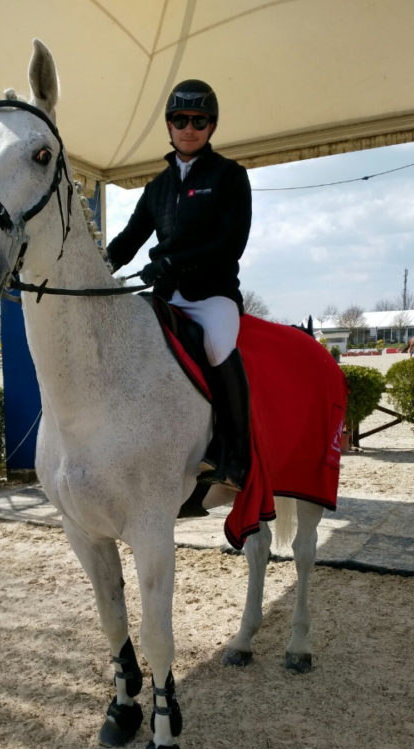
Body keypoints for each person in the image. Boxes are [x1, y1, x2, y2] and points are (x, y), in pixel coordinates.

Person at [106, 79, 252, 491]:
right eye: (180, 119)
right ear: (169, 125)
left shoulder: (229, 176)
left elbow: (231, 244)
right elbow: (127, 241)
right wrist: (96, 268)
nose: (189, 128)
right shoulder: (157, 187)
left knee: (218, 346)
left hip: (212, 297)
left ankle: (236, 455)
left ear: (211, 126)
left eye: (199, 120)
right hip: (166, 296)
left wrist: (172, 261)